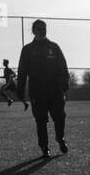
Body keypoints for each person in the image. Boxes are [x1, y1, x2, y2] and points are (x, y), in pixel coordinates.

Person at [17, 19, 68, 158]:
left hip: (55, 89)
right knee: (41, 120)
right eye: (38, 28)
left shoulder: (54, 47)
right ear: (33, 31)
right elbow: (22, 71)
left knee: (59, 117)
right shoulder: (27, 50)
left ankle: (60, 138)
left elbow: (63, 66)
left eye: (43, 28)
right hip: (37, 90)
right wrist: (20, 90)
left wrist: (65, 84)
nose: (41, 30)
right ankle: (45, 147)